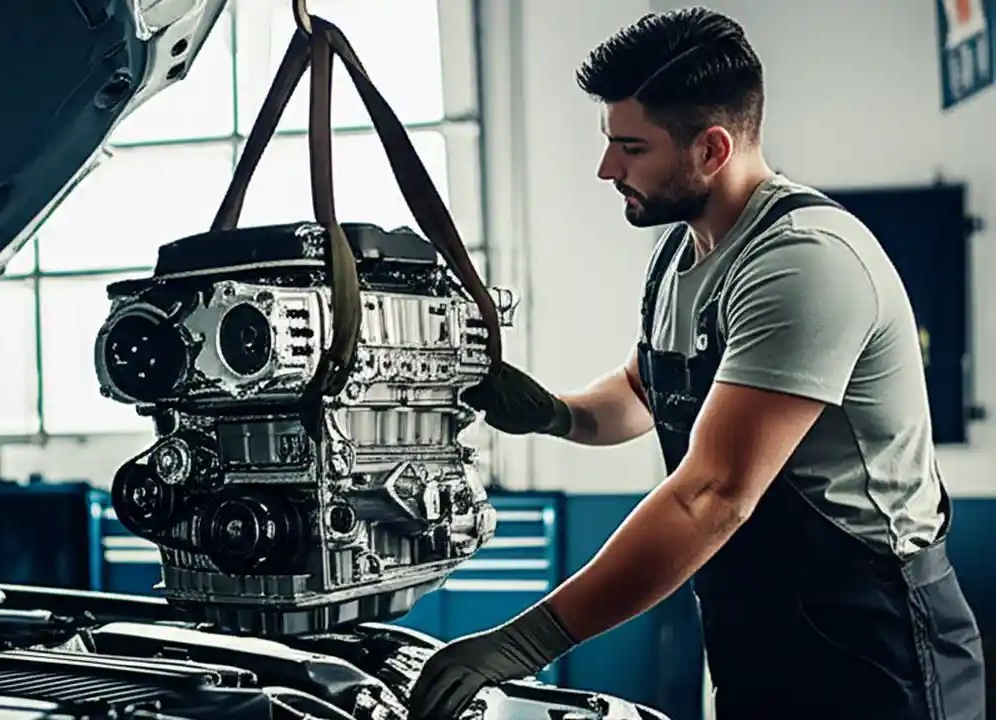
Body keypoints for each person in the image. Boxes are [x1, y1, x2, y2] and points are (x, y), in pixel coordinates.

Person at [406, 7, 987, 720]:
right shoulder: (681, 254)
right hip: (757, 634)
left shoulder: (801, 262)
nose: (606, 168)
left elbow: (713, 494)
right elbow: (641, 392)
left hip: (873, 645)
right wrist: (556, 414)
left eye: (631, 147)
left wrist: (524, 643)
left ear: (712, 149)